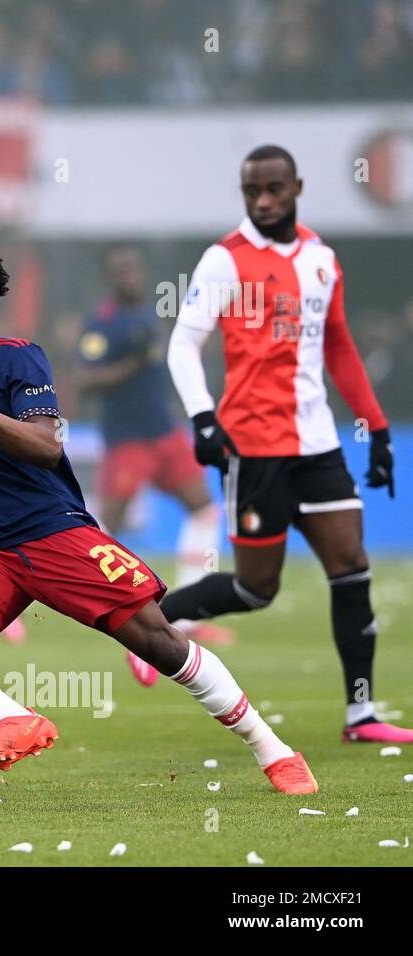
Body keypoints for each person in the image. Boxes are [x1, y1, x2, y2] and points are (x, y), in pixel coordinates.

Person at [0, 237, 317, 794]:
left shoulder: (17, 356)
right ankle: (13, 719)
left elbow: (47, 447)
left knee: (161, 643)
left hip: (54, 535)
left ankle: (275, 750)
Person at [163, 144, 410, 744]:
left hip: (320, 444)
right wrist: (202, 419)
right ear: (244, 193)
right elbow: (183, 345)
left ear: (297, 186)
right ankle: (155, 623)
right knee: (255, 589)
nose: (265, 201)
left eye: (275, 189)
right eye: (253, 191)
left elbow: (340, 348)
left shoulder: (322, 257)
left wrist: (375, 428)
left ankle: (361, 714)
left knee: (351, 568)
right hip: (253, 447)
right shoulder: (224, 260)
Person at [78, 243, 232, 688]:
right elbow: (87, 379)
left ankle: (188, 614)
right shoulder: (103, 323)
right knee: (105, 530)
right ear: (110, 276)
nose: (129, 276)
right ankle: (102, 608)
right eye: (120, 270)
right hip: (126, 441)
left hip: (164, 434)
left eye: (133, 268)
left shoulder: (148, 315)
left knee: (204, 508)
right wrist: (131, 361)